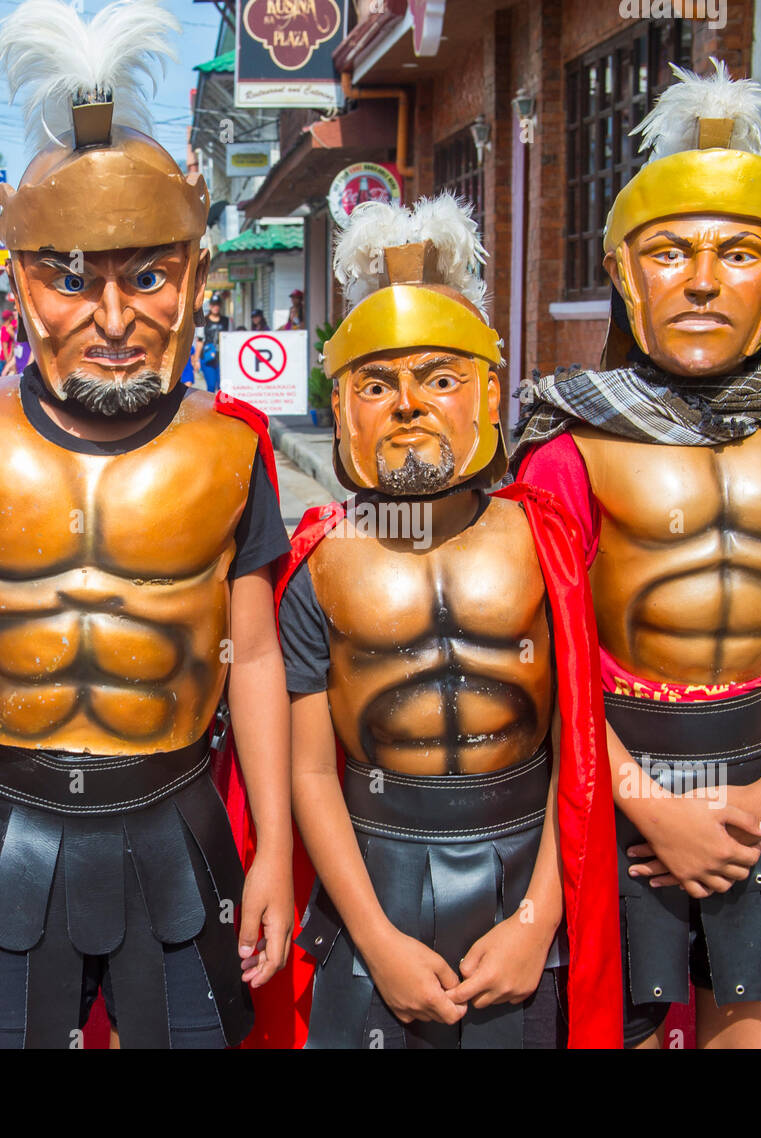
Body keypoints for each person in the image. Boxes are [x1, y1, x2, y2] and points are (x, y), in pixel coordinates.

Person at [0, 0, 296, 1052]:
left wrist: (272, 841)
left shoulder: (230, 447)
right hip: (7, 837)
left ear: (191, 278)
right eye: (69, 277)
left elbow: (260, 655)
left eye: (144, 274)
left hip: (180, 829)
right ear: (18, 281)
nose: (109, 313)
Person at [513, 61, 761, 1050]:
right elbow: (542, 662)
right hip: (617, 781)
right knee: (621, 1022)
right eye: (669, 251)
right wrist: (653, 808)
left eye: (736, 252)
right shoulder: (566, 448)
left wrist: (760, 809)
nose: (698, 280)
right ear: (621, 271)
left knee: (755, 1026)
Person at [279, 196, 621, 1049]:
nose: (408, 405)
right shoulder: (316, 562)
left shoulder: (547, 541)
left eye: (439, 378)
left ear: (488, 394)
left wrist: (538, 920)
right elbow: (312, 774)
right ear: (343, 404)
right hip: (374, 882)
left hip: (524, 881)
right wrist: (378, 942)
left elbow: (575, 753)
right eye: (377, 383)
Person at [198, 295, 229, 392]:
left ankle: (222, 407)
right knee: (211, 386)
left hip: (222, 358)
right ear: (210, 306)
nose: (215, 307)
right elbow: (200, 340)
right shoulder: (204, 321)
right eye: (213, 305)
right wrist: (196, 359)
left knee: (223, 386)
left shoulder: (226, 321)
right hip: (207, 357)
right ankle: (211, 407)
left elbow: (230, 339)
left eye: (217, 305)